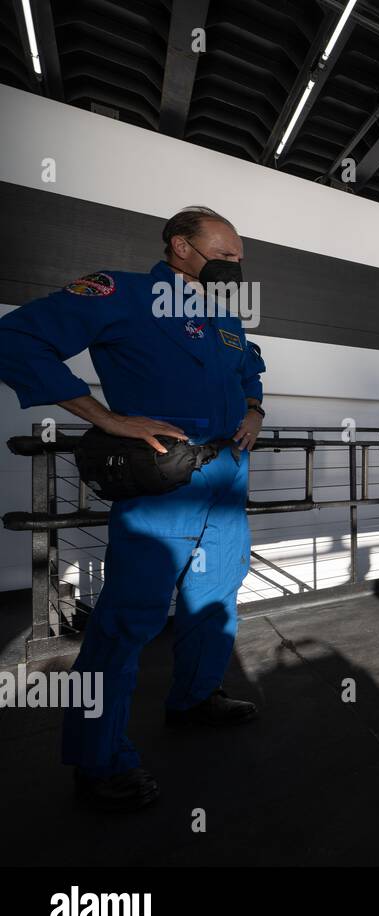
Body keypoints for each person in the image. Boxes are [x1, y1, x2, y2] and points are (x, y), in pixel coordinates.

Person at [0, 206, 267, 810]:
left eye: (238, 259)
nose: (234, 267)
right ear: (179, 247)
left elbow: (251, 370)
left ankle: (195, 699)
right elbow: (15, 339)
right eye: (222, 255)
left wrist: (254, 410)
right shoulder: (121, 292)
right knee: (127, 620)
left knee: (217, 593)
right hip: (165, 476)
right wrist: (107, 418)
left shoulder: (226, 317)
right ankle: (98, 760)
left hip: (226, 475)